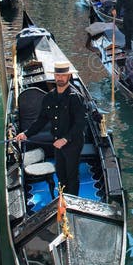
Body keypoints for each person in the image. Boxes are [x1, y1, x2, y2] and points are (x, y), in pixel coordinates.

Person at [14, 61, 86, 195]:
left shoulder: (75, 98)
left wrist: (65, 139)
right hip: (57, 142)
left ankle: (73, 203)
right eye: (58, 75)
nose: (60, 78)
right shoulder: (49, 98)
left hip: (73, 142)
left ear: (68, 76)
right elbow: (41, 120)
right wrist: (26, 134)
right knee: (60, 173)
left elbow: (80, 124)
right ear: (55, 76)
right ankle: (62, 199)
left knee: (71, 175)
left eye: (63, 75)